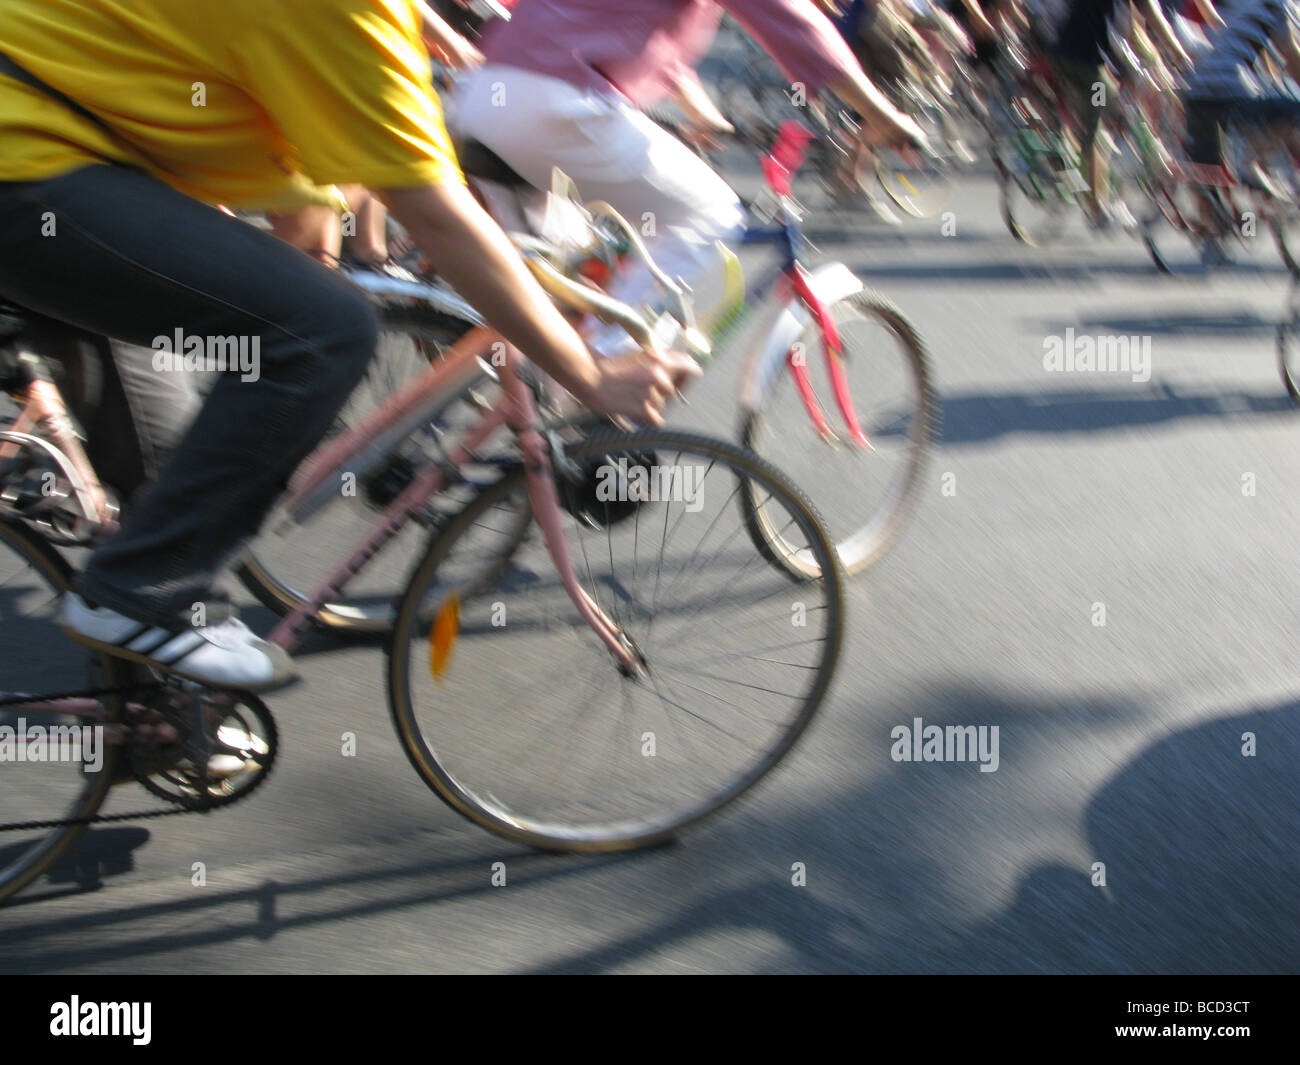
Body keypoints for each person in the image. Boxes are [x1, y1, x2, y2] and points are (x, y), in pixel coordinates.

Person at [0, 0, 698, 691]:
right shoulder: (350, 15)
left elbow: (309, 205)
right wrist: (591, 377)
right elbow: (436, 219)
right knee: (324, 329)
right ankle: (130, 599)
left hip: (66, 142)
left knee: (171, 490)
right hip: (30, 155)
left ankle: (145, 716)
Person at [454, 0, 925, 354]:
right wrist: (881, 114)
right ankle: (595, 367)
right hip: (553, 104)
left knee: (561, 273)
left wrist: (691, 100)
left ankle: (519, 408)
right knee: (709, 213)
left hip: (486, 91)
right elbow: (792, 21)